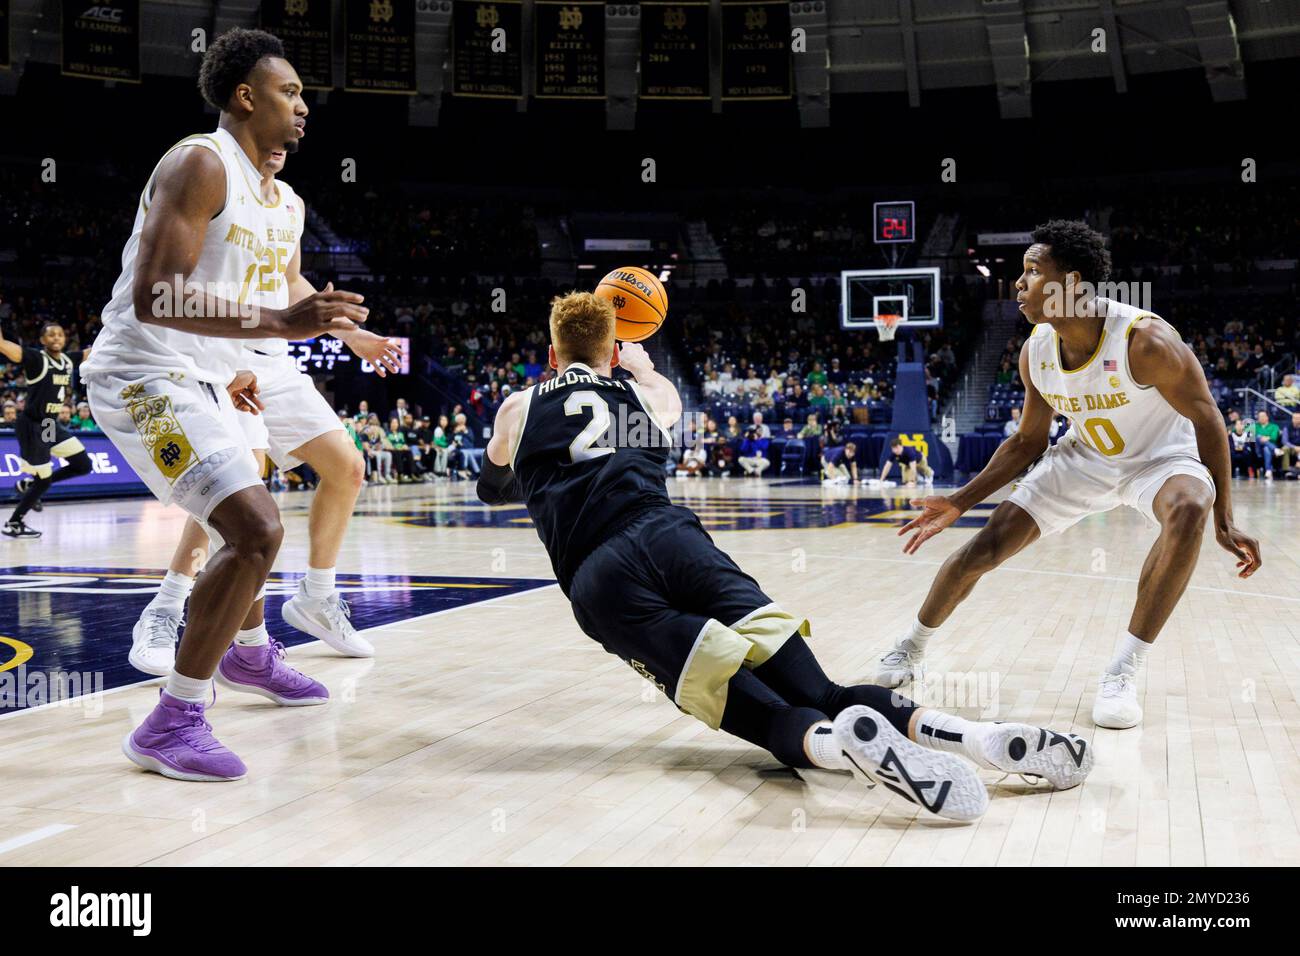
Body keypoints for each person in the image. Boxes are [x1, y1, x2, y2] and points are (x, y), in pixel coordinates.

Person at [476, 291, 1092, 823]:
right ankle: (978, 738)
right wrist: (639, 366)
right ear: (615, 353)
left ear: (551, 356)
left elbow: (494, 482)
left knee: (761, 714)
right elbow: (664, 405)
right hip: (673, 539)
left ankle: (834, 747)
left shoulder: (517, 408)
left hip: (601, 581)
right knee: (821, 688)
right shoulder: (648, 397)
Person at [82, 28, 371, 781]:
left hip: (211, 377)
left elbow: (237, 292)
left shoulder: (276, 196)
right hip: (141, 381)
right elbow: (154, 294)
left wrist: (245, 357)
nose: (304, 107)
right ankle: (173, 719)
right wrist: (280, 325)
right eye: (291, 92)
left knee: (252, 517)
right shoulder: (199, 162)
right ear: (246, 97)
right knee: (252, 528)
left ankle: (248, 655)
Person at [878, 220, 1261, 730]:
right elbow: (1029, 441)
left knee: (1190, 507)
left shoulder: (1145, 341)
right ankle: (911, 646)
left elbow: (1209, 418)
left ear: (1070, 284)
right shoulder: (1035, 351)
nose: (1019, 284)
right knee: (983, 550)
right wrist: (960, 501)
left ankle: (1122, 672)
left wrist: (1224, 518)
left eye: (1032, 272)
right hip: (1085, 459)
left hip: (1162, 459)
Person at [127, 148, 394, 676]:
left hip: (274, 354)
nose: (292, 124)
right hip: (224, 345)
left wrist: (351, 333)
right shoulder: (211, 178)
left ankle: (317, 595)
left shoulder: (289, 203)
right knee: (235, 485)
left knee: (349, 466)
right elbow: (168, 284)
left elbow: (290, 283)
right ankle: (166, 607)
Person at [2, 322, 95, 537]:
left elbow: (94, 351)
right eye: (50, 335)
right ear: (42, 340)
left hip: (49, 424)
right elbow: (2, 345)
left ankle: (27, 484)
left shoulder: (67, 360)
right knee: (43, 481)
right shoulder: (36, 359)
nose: (56, 337)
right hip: (33, 425)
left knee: (83, 464)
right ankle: (14, 523)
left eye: (60, 334)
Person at [1253, 410, 1279, 480]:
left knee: (1266, 448)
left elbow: (1274, 437)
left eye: (1263, 416)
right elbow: (1249, 435)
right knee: (1258, 437)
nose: (1261, 418)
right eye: (1259, 416)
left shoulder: (1274, 426)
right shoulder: (1254, 426)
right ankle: (1275, 449)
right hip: (1258, 450)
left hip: (1268, 451)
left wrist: (1265, 438)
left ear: (1267, 417)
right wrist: (1266, 437)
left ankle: (1268, 470)